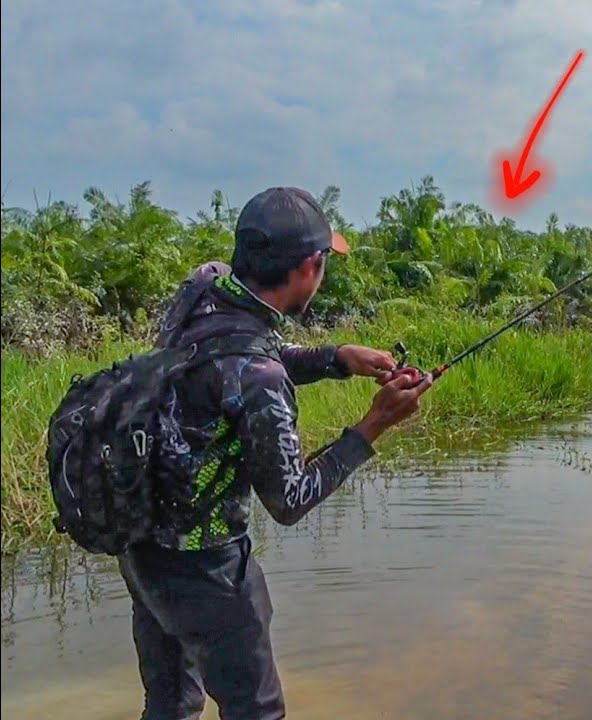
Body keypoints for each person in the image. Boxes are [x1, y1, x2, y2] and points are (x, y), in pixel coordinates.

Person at [116, 186, 432, 720]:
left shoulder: (203, 287)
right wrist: (374, 423)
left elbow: (233, 353)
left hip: (141, 547)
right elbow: (289, 500)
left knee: (170, 704)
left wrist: (335, 359)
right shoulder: (260, 380)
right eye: (325, 260)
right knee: (256, 713)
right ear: (310, 267)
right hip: (209, 570)